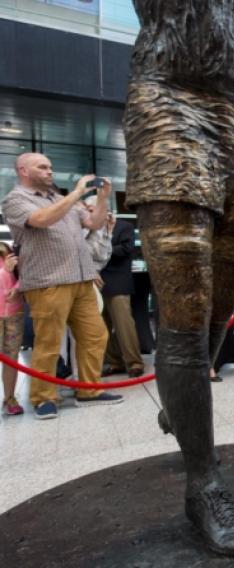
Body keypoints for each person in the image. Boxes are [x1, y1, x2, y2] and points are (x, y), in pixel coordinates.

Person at [124, 0, 234, 555]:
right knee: (186, 313)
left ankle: (179, 402)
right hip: (171, 103)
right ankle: (203, 484)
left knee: (222, 300)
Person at [2, 153, 122, 419]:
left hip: (81, 279)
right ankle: (43, 397)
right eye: (42, 167)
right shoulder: (15, 199)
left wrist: (102, 198)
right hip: (48, 282)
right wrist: (77, 192)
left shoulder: (60, 199)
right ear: (23, 170)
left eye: (51, 167)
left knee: (96, 335)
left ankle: (89, 390)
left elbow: (94, 222)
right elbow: (42, 219)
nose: (49, 171)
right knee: (49, 343)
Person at [100, 216, 145, 378]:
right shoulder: (90, 229)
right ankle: (114, 363)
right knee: (101, 327)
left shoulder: (123, 226)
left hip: (117, 282)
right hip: (95, 283)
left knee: (124, 325)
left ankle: (135, 363)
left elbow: (127, 248)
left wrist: (103, 249)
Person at [0, 243, 24, 416]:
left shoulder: (5, 249)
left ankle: (9, 398)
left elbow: (23, 276)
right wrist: (4, 272)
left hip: (14, 313)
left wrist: (17, 289)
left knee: (11, 357)